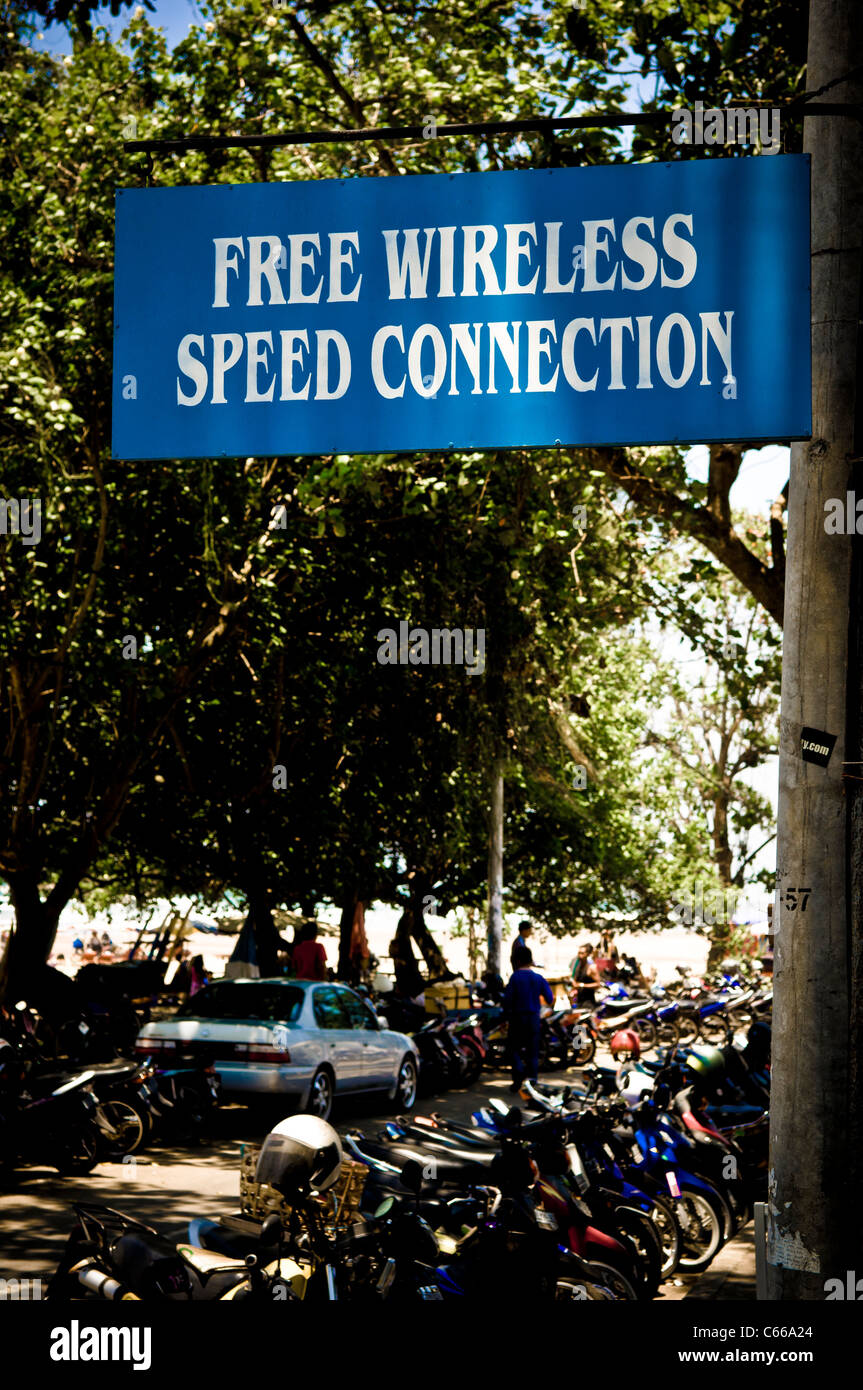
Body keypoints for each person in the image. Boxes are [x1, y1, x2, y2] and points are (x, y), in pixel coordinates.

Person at [503, 945, 554, 1091]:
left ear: (516, 960)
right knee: (532, 1051)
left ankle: (518, 1075)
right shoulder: (538, 978)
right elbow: (550, 998)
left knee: (513, 1049)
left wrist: (506, 1016)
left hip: (517, 1020)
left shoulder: (515, 978)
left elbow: (508, 1001)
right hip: (533, 1020)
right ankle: (532, 1080)